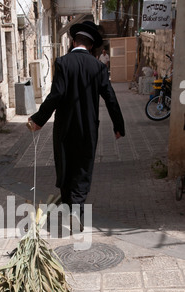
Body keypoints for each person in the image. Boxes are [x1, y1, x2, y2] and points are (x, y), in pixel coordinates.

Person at [28, 21, 125, 229]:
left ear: (73, 42)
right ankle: (77, 211)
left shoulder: (62, 63)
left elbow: (56, 95)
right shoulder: (99, 67)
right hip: (88, 129)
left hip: (64, 128)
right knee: (83, 168)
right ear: (90, 46)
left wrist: (38, 120)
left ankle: (68, 209)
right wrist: (118, 126)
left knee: (65, 166)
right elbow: (111, 98)